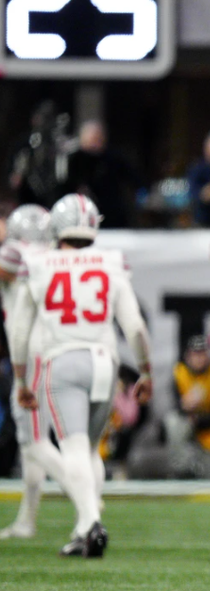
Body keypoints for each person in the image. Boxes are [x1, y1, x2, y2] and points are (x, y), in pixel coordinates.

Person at [8, 194, 153, 557]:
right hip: (106, 362)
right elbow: (134, 327)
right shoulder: (112, 261)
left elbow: (20, 332)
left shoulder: (40, 263)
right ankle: (83, 527)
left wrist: (22, 379)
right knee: (90, 449)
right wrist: (146, 370)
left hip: (63, 359)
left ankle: (90, 523)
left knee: (71, 446)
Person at [0, 204, 65, 539]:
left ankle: (85, 494)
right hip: (56, 349)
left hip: (33, 353)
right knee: (31, 446)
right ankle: (27, 519)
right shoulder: (55, 253)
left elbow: (7, 267)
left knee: (34, 440)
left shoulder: (14, 253)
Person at [166, 335, 210, 479]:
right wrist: (184, 406)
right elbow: (175, 407)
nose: (199, 358)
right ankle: (181, 468)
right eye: (195, 354)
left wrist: (202, 419)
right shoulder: (180, 373)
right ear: (188, 356)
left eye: (202, 353)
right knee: (173, 422)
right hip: (188, 429)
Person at [62, 120, 142, 229]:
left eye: (98, 138)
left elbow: (134, 178)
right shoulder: (74, 160)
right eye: (92, 139)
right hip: (82, 217)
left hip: (112, 215)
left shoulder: (114, 159)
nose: (95, 143)